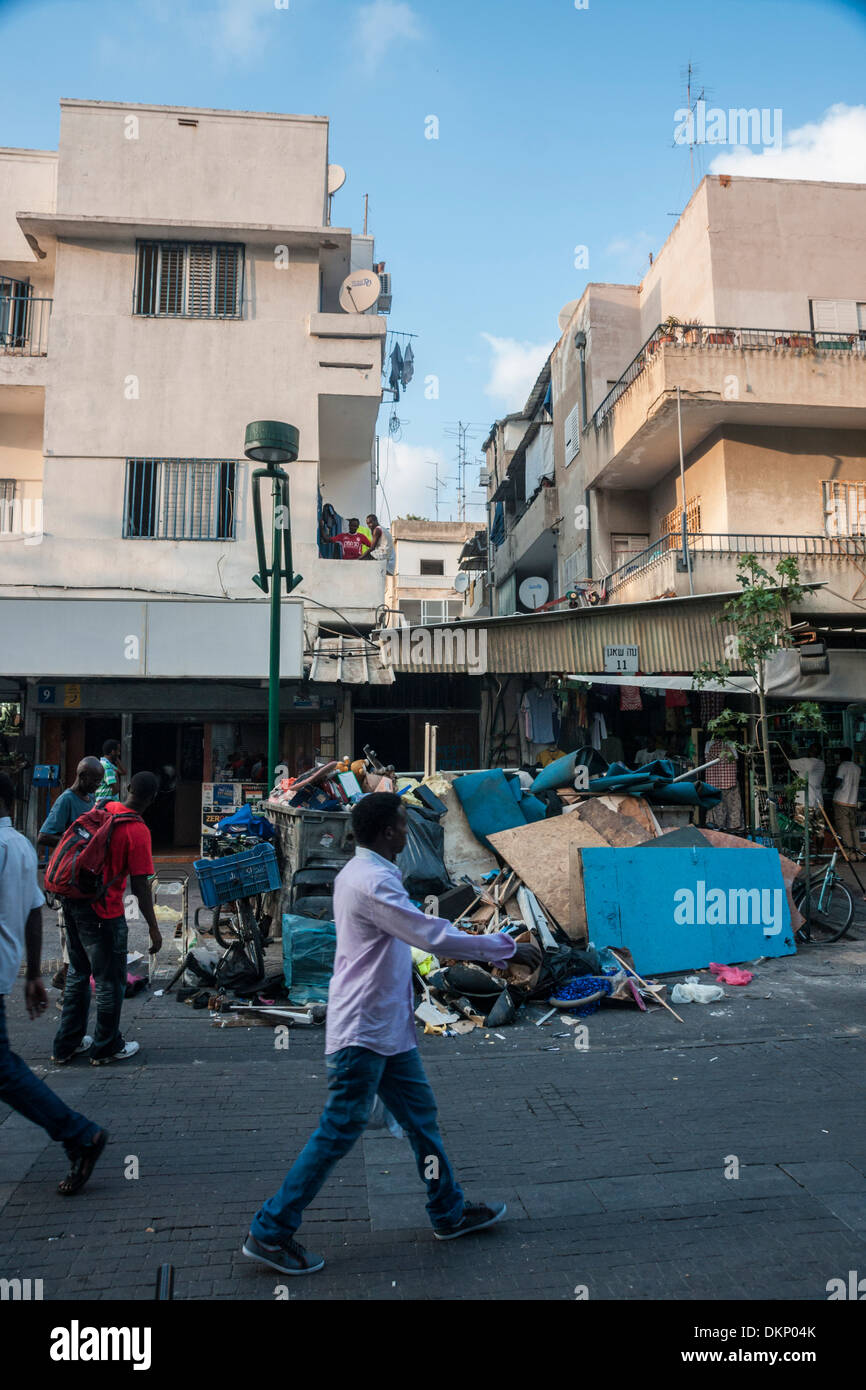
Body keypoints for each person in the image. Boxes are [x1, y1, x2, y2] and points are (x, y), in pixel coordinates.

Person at [243, 791, 542, 1275]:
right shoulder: (372, 882)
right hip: (364, 1030)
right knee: (339, 1130)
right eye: (404, 825)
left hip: (386, 1029)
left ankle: (448, 1211)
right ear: (387, 832)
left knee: (421, 1119)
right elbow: (431, 935)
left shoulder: (361, 873)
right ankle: (270, 1231)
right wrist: (503, 948)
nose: (409, 832)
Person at [0, 773, 108, 1195]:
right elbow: (32, 910)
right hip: (7, 967)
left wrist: (33, 975)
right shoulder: (22, 847)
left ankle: (79, 1133)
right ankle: (78, 1134)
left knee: (5, 1071)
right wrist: (30, 974)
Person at [52, 771, 163, 1066]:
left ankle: (66, 1044)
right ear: (152, 799)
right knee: (109, 981)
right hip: (104, 913)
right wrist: (154, 929)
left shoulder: (103, 808)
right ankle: (106, 1046)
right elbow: (140, 886)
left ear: (127, 789)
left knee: (78, 973)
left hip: (72, 902)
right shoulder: (138, 831)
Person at [37, 756, 105, 992]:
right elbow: (44, 836)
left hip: (83, 879)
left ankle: (65, 977)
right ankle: (68, 986)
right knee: (68, 931)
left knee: (79, 934)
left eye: (100, 781)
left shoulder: (92, 799)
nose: (97, 785)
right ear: (82, 776)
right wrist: (74, 841)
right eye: (95, 780)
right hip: (66, 880)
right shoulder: (66, 800)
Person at [704, 736, 745, 832]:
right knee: (731, 805)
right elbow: (736, 758)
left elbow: (706, 758)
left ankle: (718, 825)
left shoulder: (709, 745)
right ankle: (731, 825)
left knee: (719, 806)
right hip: (728, 781)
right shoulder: (730, 744)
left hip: (714, 780)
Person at [832, 747, 862, 860]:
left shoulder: (843, 766)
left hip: (841, 801)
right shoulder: (857, 768)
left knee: (844, 828)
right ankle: (858, 853)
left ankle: (849, 854)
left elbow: (838, 782)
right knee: (853, 828)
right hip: (852, 802)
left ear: (841, 756)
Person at [94, 739, 126, 805]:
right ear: (112, 752)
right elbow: (115, 790)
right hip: (107, 805)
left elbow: (123, 772)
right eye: (118, 751)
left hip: (104, 804)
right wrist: (115, 774)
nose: (119, 753)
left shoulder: (105, 764)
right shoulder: (107, 767)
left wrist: (116, 758)